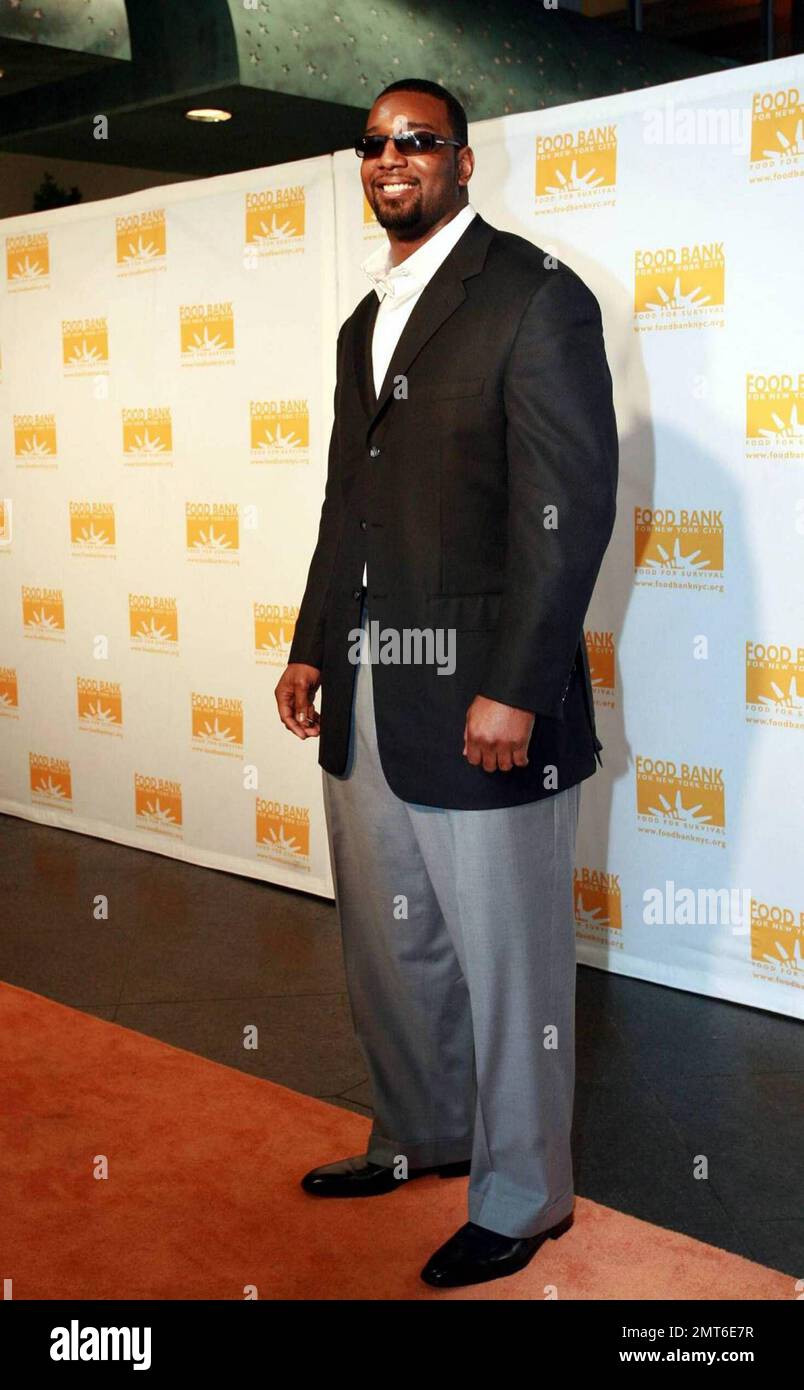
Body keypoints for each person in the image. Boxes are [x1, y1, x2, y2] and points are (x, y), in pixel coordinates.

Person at [275, 77, 618, 1290]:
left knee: (511, 959)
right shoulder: (365, 321)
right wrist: (315, 639)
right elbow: (345, 503)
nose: (392, 160)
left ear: (463, 163)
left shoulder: (534, 296)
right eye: (374, 145)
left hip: (487, 702)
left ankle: (525, 1197)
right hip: (371, 690)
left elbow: (565, 512)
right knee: (391, 941)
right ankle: (421, 1135)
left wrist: (520, 687)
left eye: (417, 142)